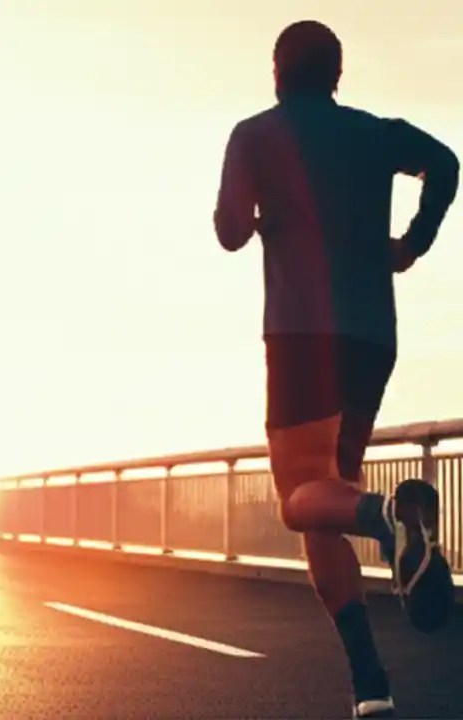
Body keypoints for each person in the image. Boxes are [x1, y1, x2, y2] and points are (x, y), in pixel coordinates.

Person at [214, 20, 459, 719]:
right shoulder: (376, 133)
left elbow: (229, 232)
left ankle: (389, 515)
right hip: (372, 337)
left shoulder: (255, 135)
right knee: (328, 499)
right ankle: (371, 687)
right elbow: (445, 163)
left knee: (299, 501)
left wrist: (260, 215)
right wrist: (411, 244)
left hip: (300, 336)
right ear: (337, 76)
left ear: (276, 74)